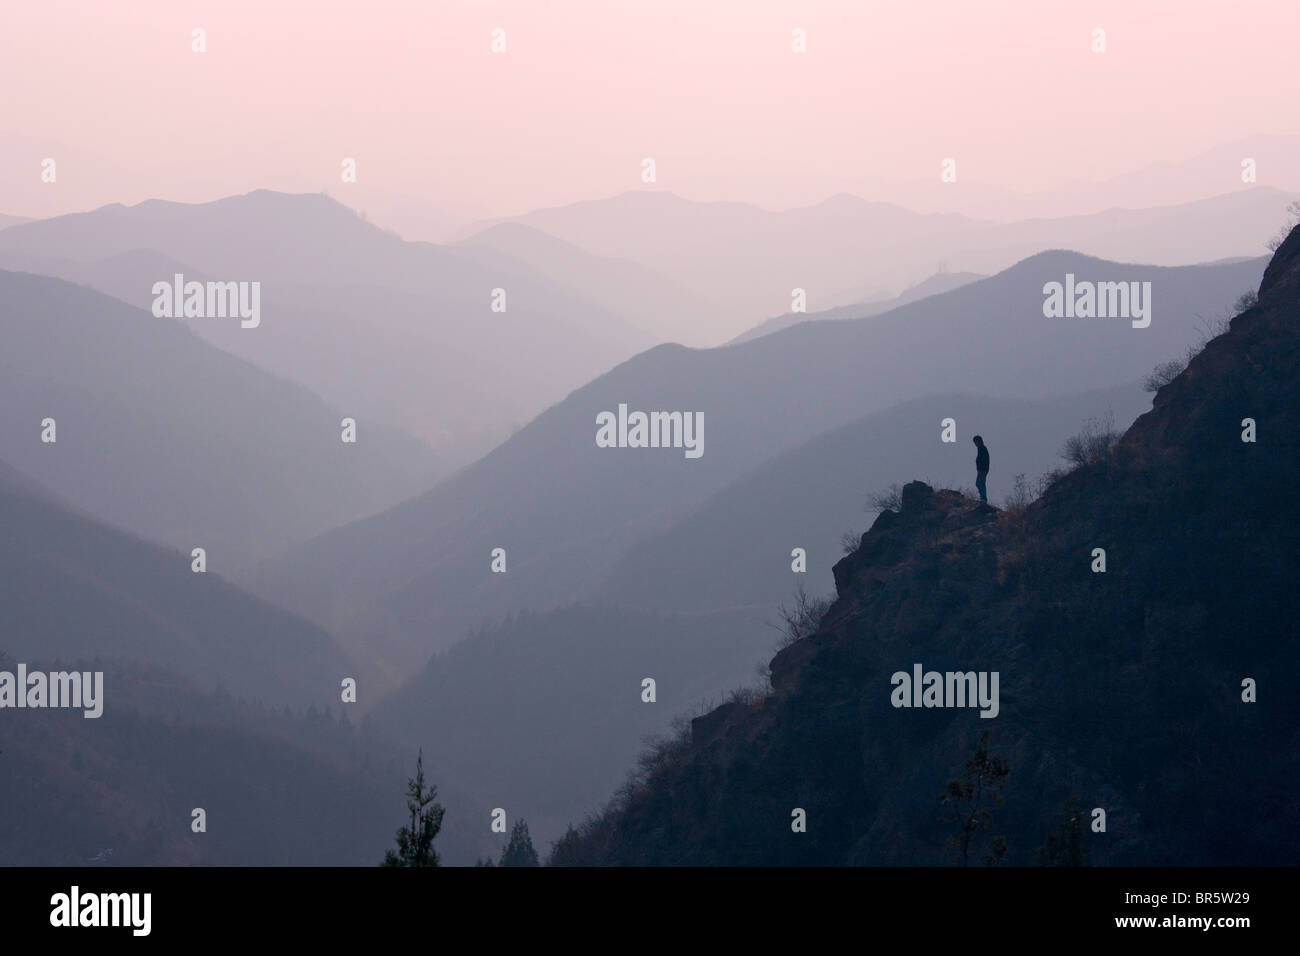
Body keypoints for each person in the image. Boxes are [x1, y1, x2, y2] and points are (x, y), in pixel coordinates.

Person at [972, 435, 990, 503]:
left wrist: (981, 470)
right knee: (980, 483)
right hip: (982, 470)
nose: (975, 444)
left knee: (980, 483)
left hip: (982, 470)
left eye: (976, 442)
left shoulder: (982, 448)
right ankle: (983, 498)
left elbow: (983, 460)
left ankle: (983, 498)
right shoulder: (981, 448)